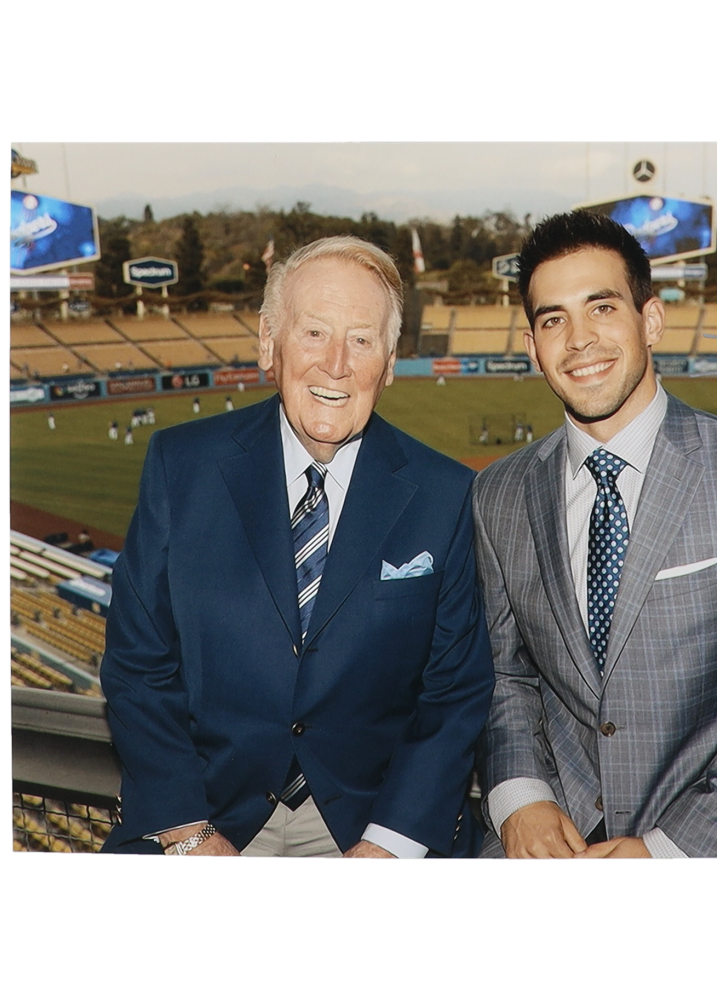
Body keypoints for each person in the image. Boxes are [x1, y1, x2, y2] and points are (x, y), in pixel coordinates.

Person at [100, 236, 494, 858]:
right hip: (204, 814)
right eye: (314, 333)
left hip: (369, 827)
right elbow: (137, 662)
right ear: (269, 344)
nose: (336, 363)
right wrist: (188, 832)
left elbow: (452, 694)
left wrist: (390, 846)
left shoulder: (447, 494)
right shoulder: (182, 466)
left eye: (362, 340)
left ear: (389, 364)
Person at [472, 211, 717, 859]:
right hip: (547, 849)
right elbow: (506, 676)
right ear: (532, 346)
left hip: (715, 849)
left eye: (602, 308)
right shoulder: (497, 492)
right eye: (553, 319)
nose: (578, 340)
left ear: (651, 320)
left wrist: (669, 850)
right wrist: (519, 794)